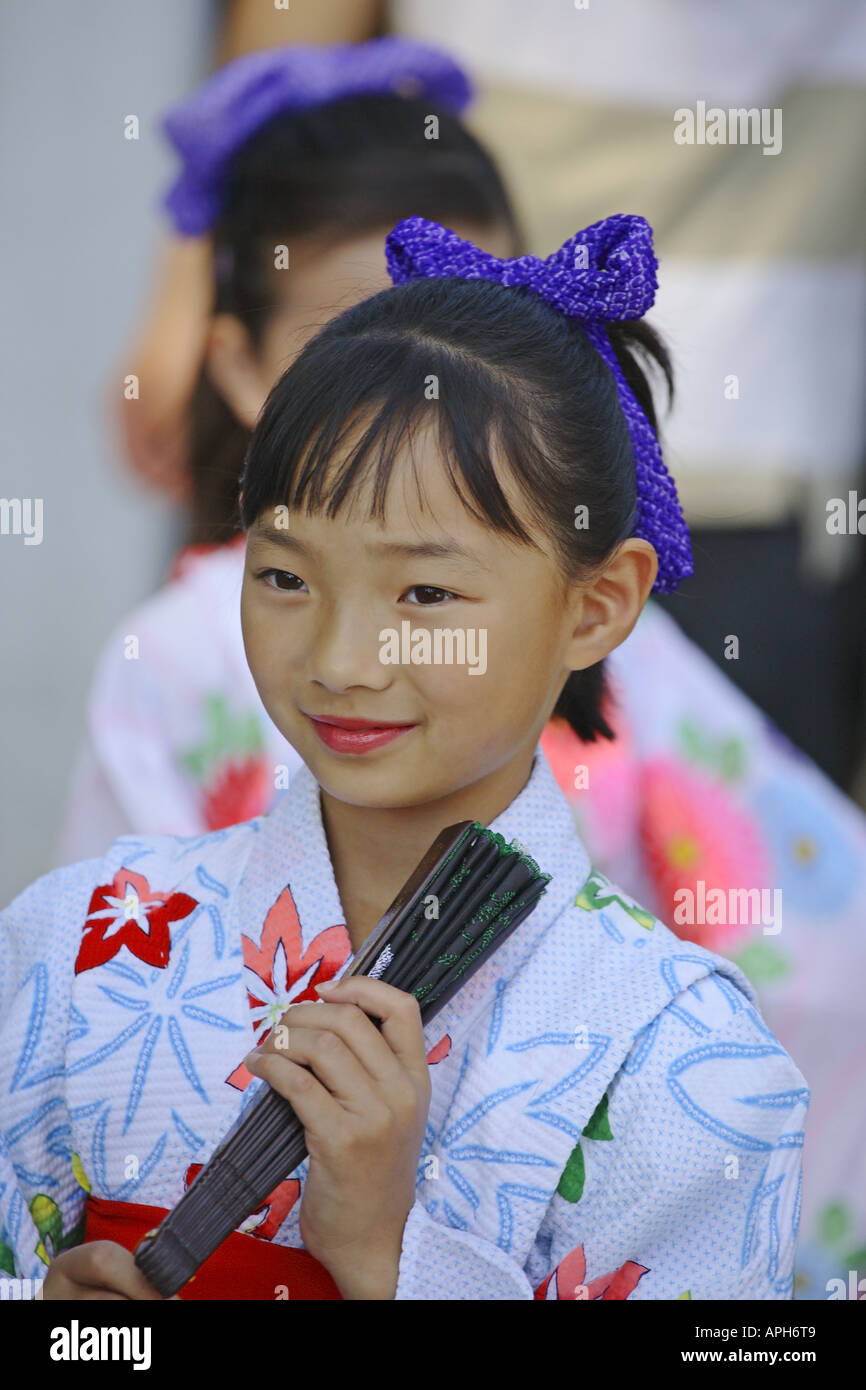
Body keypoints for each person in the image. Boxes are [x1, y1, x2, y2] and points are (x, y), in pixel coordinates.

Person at [4, 213, 808, 1300]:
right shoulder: (78, 950)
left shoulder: (683, 1063)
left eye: (424, 593)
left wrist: (390, 1261)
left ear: (596, 603)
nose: (340, 659)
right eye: (284, 575)